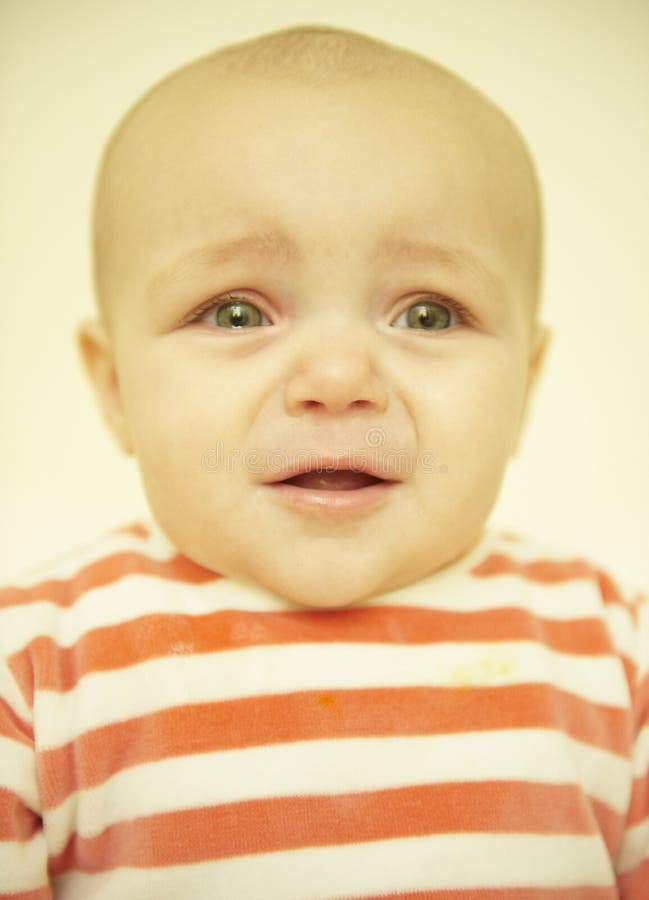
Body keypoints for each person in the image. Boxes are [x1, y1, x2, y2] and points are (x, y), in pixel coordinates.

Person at [1, 24, 646, 899]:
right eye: (235, 313)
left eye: (428, 314)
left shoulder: (613, 650)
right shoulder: (34, 672)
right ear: (116, 386)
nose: (339, 380)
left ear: (523, 387)